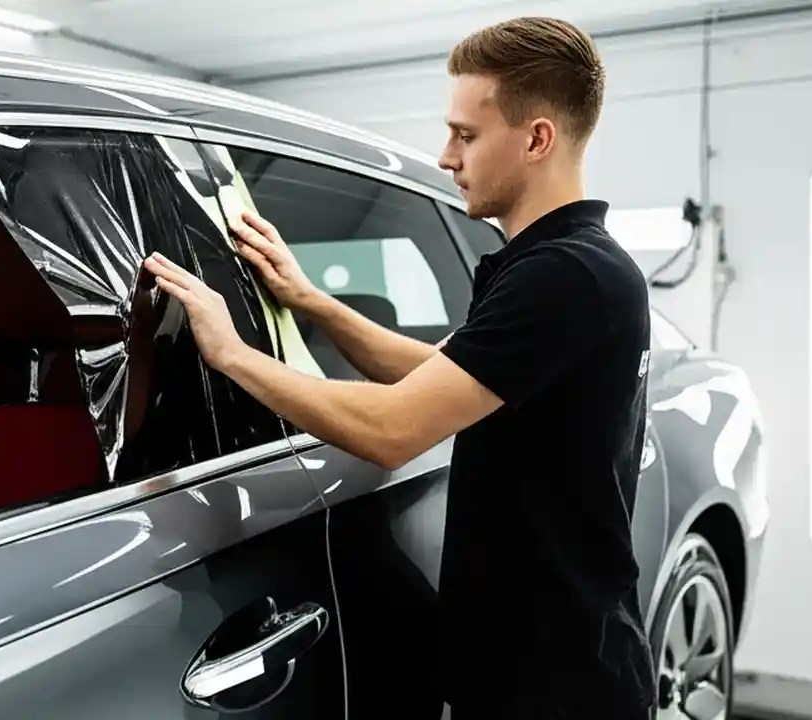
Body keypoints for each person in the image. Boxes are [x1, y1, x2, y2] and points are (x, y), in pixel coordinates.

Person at [144, 15, 657, 720]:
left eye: (465, 135)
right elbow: (434, 371)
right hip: (548, 666)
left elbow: (391, 430)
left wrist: (233, 354)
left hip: (555, 689)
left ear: (537, 138)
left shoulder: (565, 276)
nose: (446, 157)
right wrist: (311, 301)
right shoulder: (571, 264)